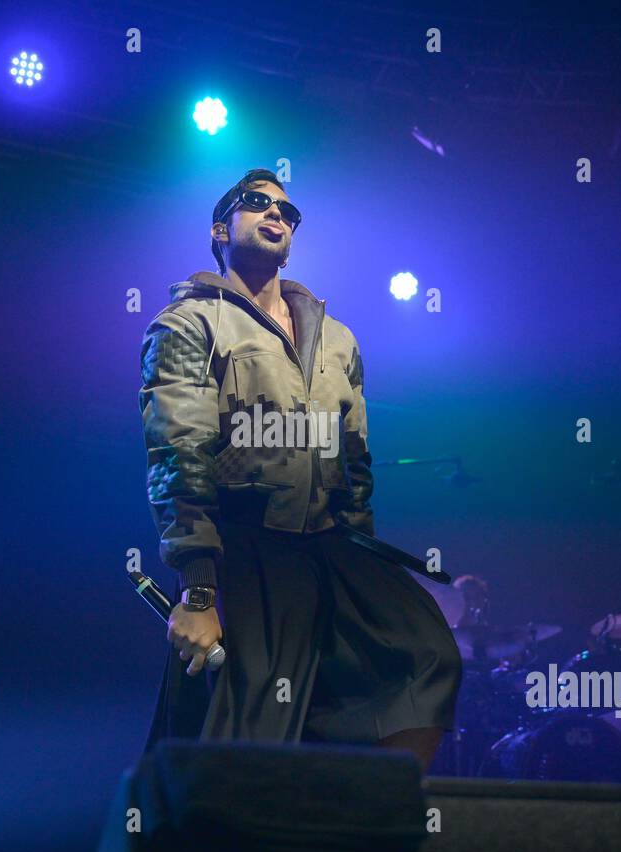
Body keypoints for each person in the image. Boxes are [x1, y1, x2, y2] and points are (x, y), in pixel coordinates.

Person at [138, 168, 461, 773]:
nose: (277, 214)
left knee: (425, 657)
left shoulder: (337, 338)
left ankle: (373, 813)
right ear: (219, 228)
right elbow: (178, 455)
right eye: (257, 203)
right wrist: (199, 589)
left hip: (332, 546)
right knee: (251, 734)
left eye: (288, 211)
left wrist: (359, 540)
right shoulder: (187, 324)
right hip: (249, 549)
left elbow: (354, 454)